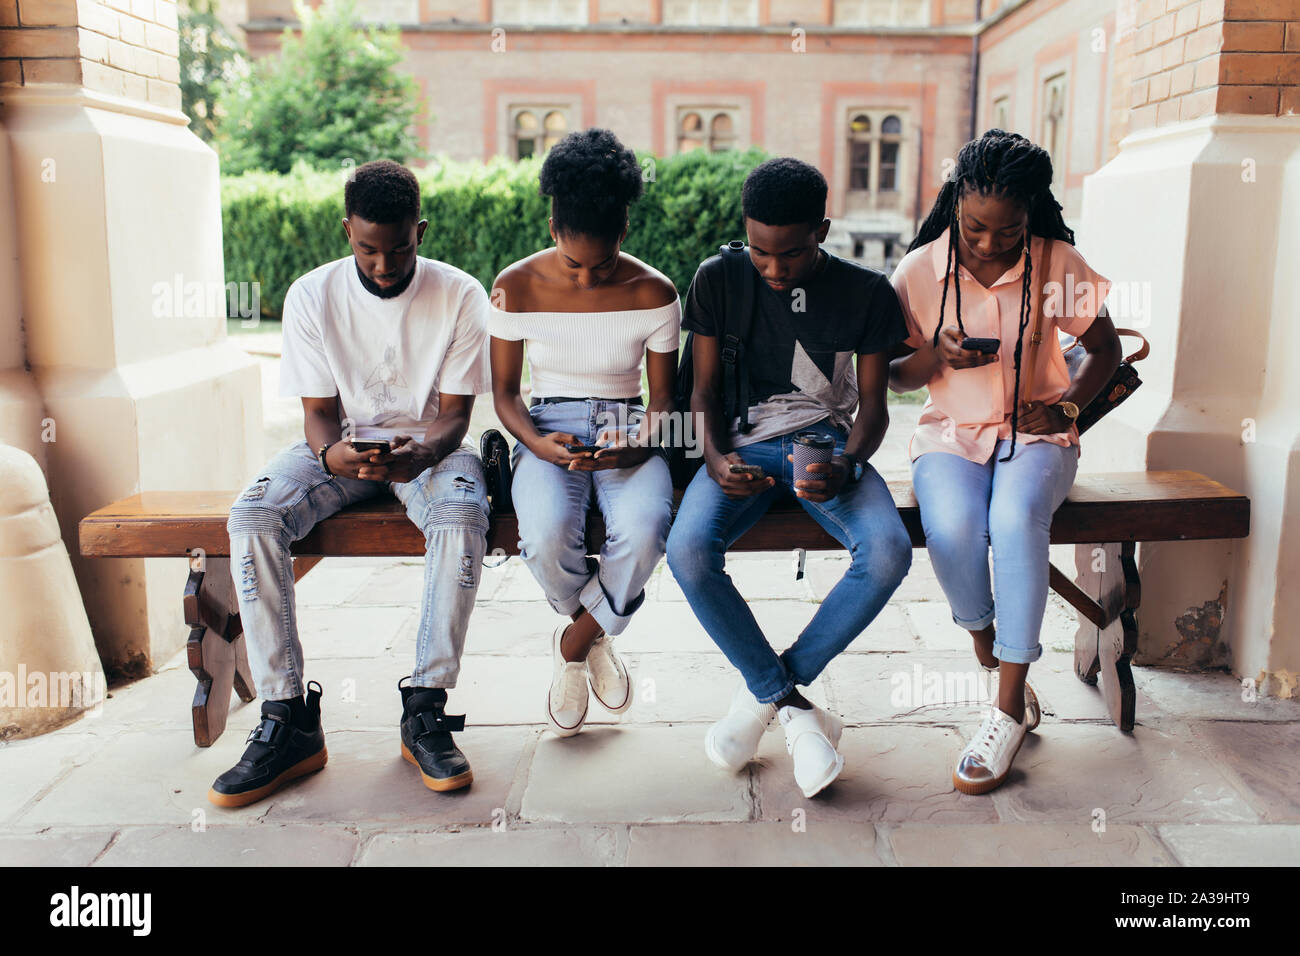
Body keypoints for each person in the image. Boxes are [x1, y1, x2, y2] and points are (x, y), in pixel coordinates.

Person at [212, 160, 492, 807]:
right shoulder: (313, 295)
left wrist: (420, 452)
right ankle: (287, 721)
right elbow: (316, 414)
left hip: (430, 452)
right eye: (368, 249)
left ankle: (425, 706)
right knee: (251, 516)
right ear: (347, 232)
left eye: (399, 248)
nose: (385, 264)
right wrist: (331, 452)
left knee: (460, 515)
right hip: (337, 445)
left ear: (419, 230)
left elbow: (455, 416)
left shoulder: (460, 295)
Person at [665, 157, 913, 798]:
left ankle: (765, 702)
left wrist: (849, 465)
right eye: (760, 252)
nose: (774, 271)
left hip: (823, 446)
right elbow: (704, 389)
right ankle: (798, 711)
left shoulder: (867, 293)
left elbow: (877, 411)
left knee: (887, 552)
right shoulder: (719, 279)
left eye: (792, 255)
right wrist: (716, 459)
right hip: (739, 449)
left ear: (823, 231)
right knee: (687, 551)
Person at [888, 130, 1122, 795]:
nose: (990, 244)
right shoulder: (921, 271)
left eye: (1008, 232)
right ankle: (985, 634)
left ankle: (1008, 704)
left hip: (1037, 437)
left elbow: (1106, 352)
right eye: (975, 229)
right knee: (956, 528)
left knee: (1016, 519)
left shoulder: (1058, 264)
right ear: (957, 201)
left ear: (1032, 215)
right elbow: (894, 375)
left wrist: (1070, 408)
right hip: (951, 435)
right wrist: (936, 358)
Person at [489, 128, 680, 738]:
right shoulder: (514, 286)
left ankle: (574, 643)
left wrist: (639, 442)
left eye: (602, 262)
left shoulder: (655, 292)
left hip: (627, 426)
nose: (588, 278)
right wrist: (538, 444)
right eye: (573, 262)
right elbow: (504, 394)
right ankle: (597, 635)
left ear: (623, 231)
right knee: (543, 536)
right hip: (546, 427)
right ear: (552, 228)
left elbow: (665, 403)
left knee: (649, 527)